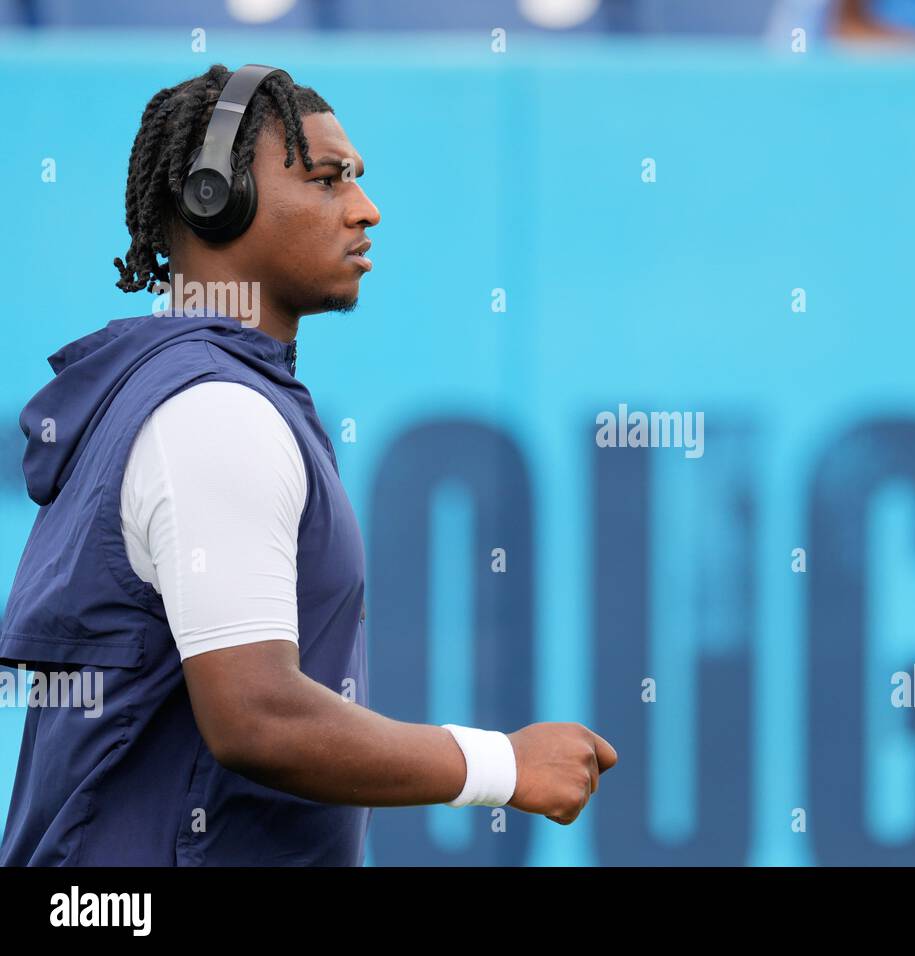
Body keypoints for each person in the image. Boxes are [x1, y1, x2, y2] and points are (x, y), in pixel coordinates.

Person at [0, 63, 615, 866]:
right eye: (327, 180)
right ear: (213, 199)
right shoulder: (214, 414)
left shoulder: (188, 392)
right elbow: (255, 716)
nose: (366, 209)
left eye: (356, 179)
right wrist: (502, 765)